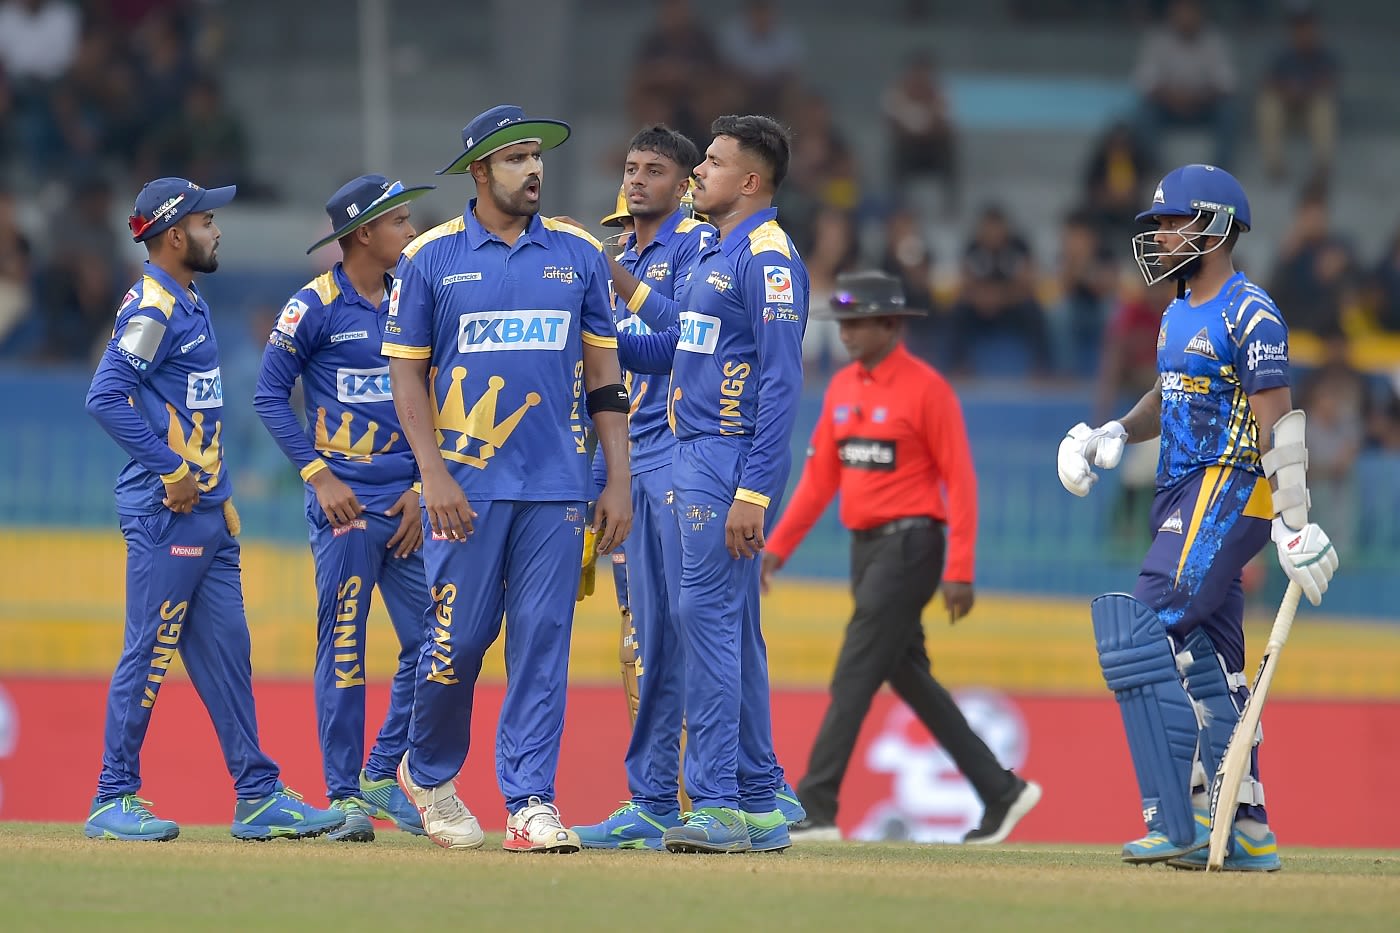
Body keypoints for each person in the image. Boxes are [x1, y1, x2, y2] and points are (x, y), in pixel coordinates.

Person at [1057, 163, 1339, 871]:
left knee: (1140, 630)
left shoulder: (1251, 312)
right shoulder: (1177, 311)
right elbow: (1170, 391)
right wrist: (1117, 430)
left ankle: (1174, 817)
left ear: (1213, 226)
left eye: (1171, 222)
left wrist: (1295, 520)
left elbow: (1280, 422)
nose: (1158, 235)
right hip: (1182, 489)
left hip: (1234, 486)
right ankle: (1243, 825)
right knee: (1209, 659)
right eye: (1156, 224)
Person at [382, 105, 632, 853]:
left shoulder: (579, 254)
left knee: (542, 643)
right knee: (455, 645)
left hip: (557, 487)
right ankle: (425, 771)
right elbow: (405, 378)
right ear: (479, 171)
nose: (535, 169)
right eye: (517, 157)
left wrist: (614, 479)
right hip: (465, 490)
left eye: (537, 156)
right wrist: (433, 476)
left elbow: (604, 375)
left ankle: (529, 801)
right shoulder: (430, 257)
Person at [82, 177, 344, 842]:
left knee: (229, 652)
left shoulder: (187, 300)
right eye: (206, 220)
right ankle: (113, 795)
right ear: (175, 234)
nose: (218, 229)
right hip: (165, 511)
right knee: (149, 648)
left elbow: (193, 415)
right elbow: (106, 396)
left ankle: (257, 793)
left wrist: (219, 494)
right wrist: (171, 471)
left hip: (206, 513)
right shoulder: (153, 305)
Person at [761, 270, 1042, 845]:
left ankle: (816, 805)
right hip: (866, 551)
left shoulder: (926, 389)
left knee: (855, 669)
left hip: (913, 545)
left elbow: (960, 482)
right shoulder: (842, 389)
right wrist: (776, 549)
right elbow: (819, 480)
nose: (846, 334)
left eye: (858, 323)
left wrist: (960, 570)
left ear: (891, 324)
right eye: (843, 324)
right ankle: (1001, 791)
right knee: (909, 679)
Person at [616, 114, 808, 854]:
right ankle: (758, 799)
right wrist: (603, 321)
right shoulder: (720, 252)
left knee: (707, 625)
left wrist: (755, 491)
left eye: (715, 163)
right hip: (695, 454)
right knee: (719, 623)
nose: (700, 172)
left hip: (722, 457)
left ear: (750, 182)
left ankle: (720, 802)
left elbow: (784, 381)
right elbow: (678, 339)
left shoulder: (768, 256)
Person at [253, 174, 436, 842]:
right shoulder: (312, 307)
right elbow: (270, 396)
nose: (411, 233)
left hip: (408, 505)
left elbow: (434, 394)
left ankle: (383, 770)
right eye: (401, 222)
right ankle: (343, 795)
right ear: (364, 233)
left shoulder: (415, 299)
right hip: (347, 510)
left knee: (439, 641)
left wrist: (422, 484)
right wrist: (319, 477)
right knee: (347, 646)